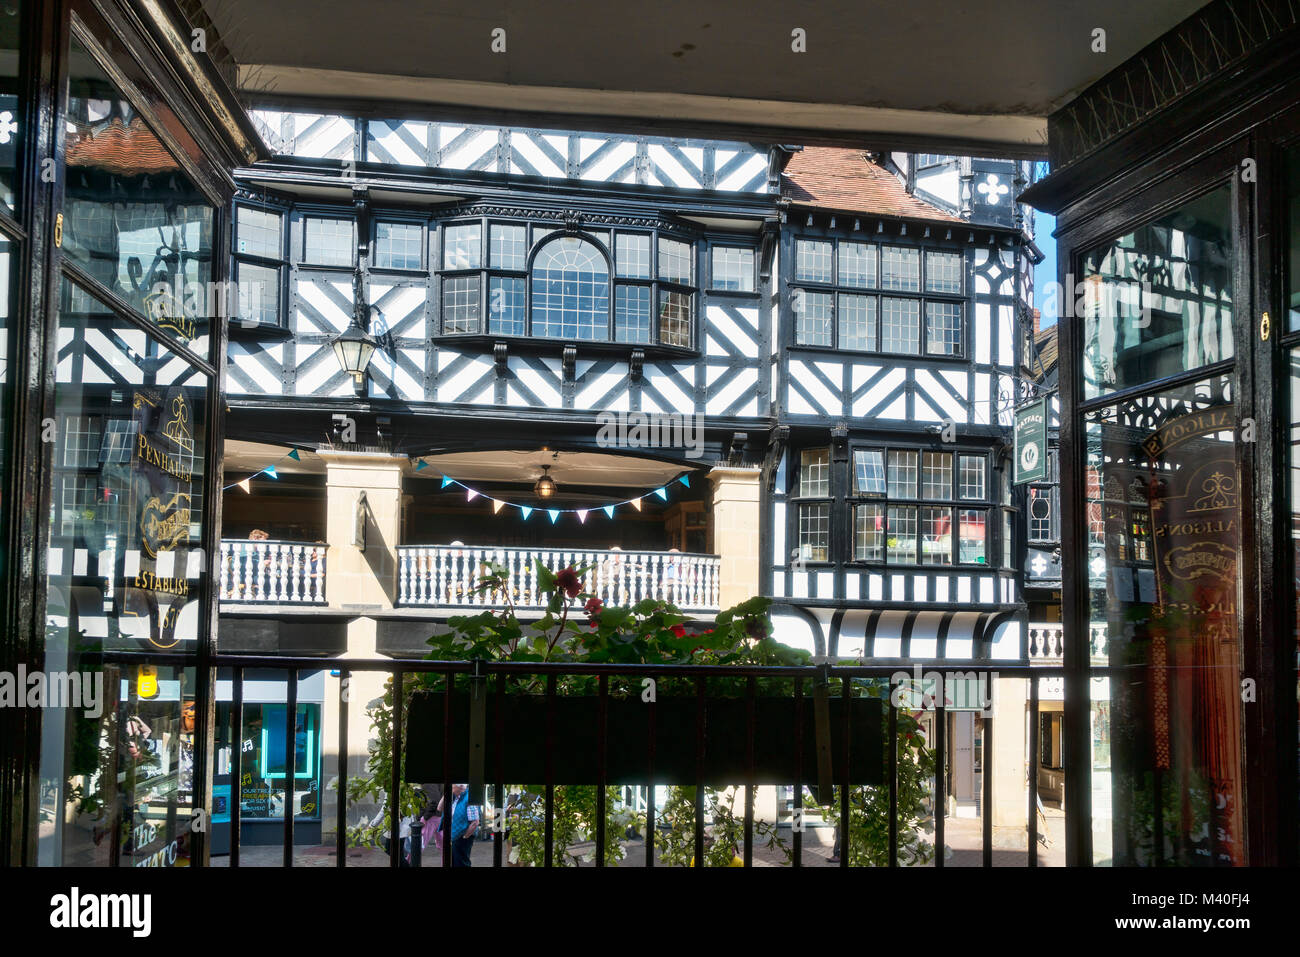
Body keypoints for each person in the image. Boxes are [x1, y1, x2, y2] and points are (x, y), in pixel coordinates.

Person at [438, 783, 480, 867]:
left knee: (461, 863)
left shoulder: (469, 798)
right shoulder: (455, 798)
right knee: (453, 862)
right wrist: (446, 794)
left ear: (460, 787)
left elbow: (475, 822)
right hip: (454, 836)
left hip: (462, 837)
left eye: (452, 785)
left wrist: (464, 836)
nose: (450, 788)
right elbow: (440, 808)